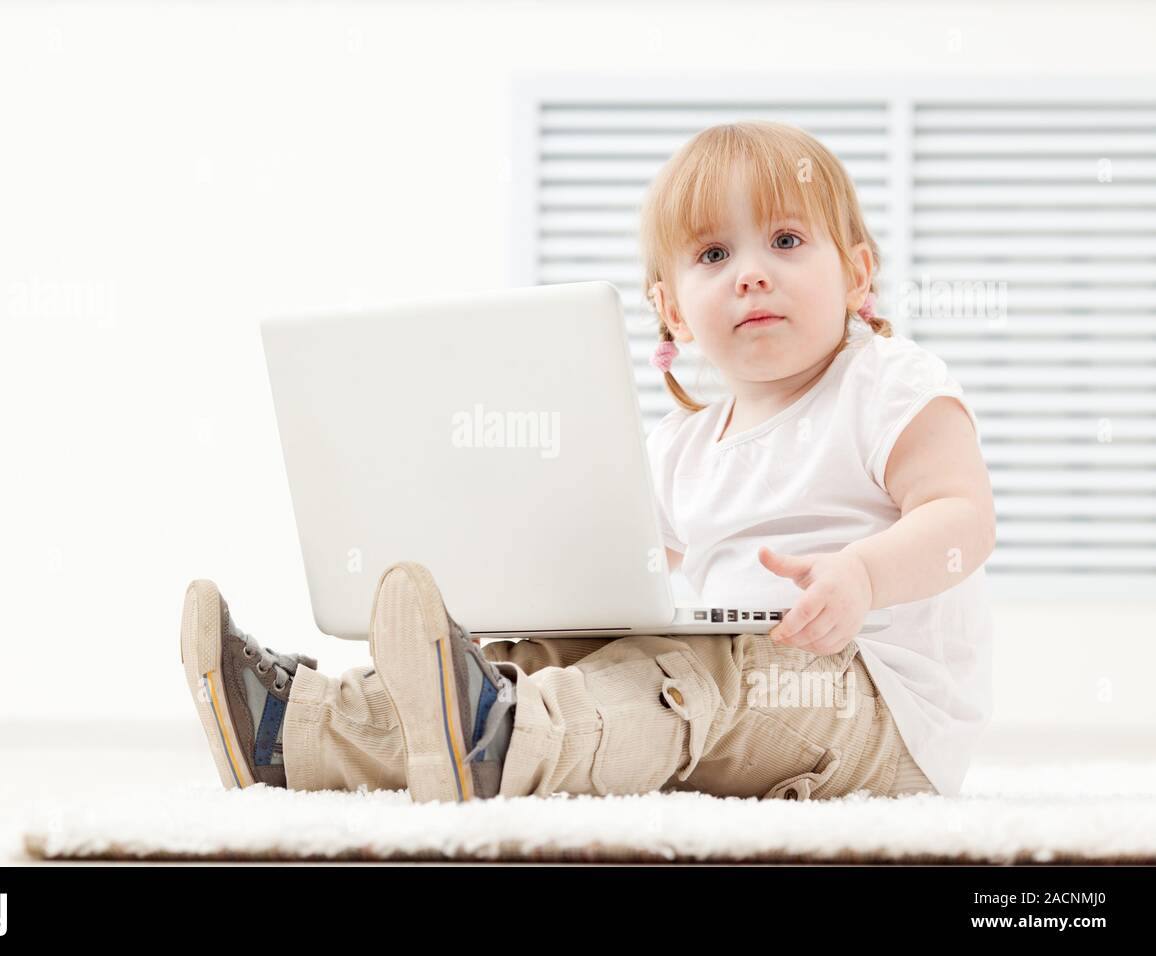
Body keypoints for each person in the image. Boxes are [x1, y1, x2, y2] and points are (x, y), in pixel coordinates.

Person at [179, 120, 996, 804]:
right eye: (714, 255)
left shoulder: (886, 383)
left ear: (857, 275)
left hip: (876, 712)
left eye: (786, 240)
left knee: (697, 673)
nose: (751, 272)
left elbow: (963, 520)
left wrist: (862, 575)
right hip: (748, 683)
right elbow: (621, 579)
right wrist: (538, 601)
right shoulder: (681, 447)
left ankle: (510, 741)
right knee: (552, 658)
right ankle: (293, 734)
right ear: (671, 308)